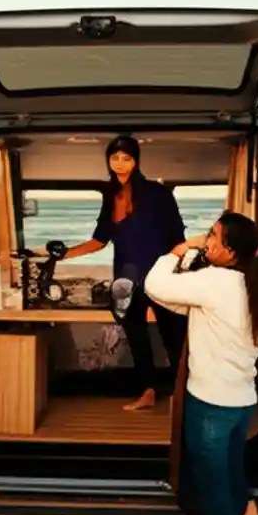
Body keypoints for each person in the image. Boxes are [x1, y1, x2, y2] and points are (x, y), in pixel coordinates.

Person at [142, 211, 258, 515]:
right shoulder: (256, 286)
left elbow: (154, 284)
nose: (207, 240)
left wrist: (180, 250)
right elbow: (179, 303)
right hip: (241, 402)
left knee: (218, 503)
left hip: (211, 406)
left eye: (213, 237)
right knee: (238, 487)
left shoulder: (215, 282)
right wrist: (191, 259)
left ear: (229, 251)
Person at [57, 134, 190, 411]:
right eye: (115, 157)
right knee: (137, 339)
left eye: (126, 158)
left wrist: (186, 272)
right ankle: (148, 393)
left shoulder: (157, 193)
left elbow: (177, 239)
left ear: (136, 161)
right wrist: (62, 254)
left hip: (160, 277)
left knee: (174, 338)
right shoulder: (109, 197)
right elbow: (100, 240)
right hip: (126, 280)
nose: (120, 163)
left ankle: (186, 395)